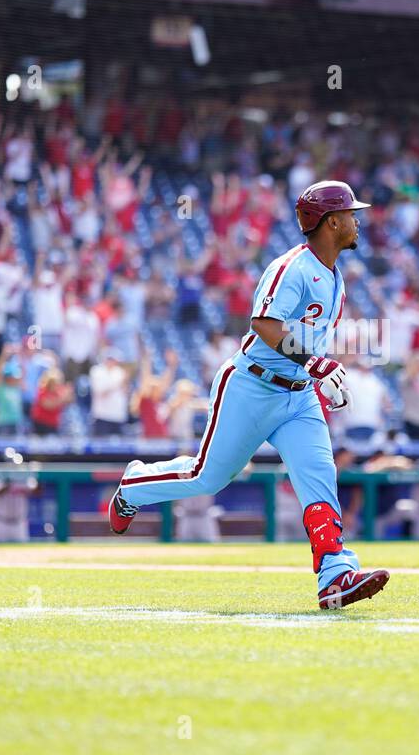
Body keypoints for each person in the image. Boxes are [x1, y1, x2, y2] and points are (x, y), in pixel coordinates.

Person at [106, 180, 390, 610]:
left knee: (319, 479)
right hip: (251, 386)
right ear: (332, 222)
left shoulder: (335, 278)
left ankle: (334, 574)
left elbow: (304, 341)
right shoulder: (292, 268)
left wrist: (322, 373)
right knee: (207, 478)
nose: (356, 221)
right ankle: (133, 485)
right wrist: (316, 365)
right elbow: (264, 324)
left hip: (298, 396)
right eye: (351, 214)